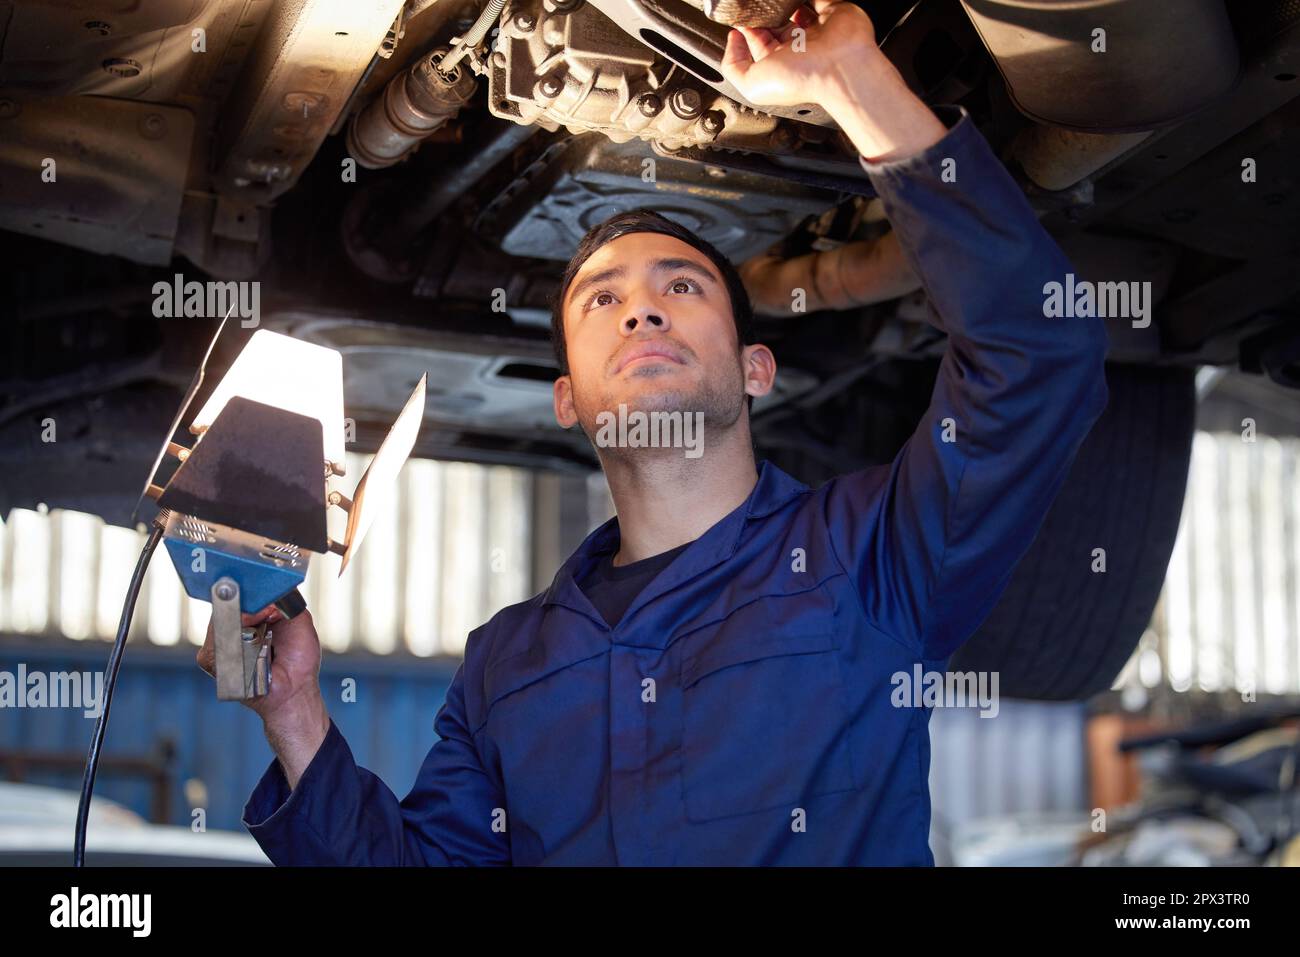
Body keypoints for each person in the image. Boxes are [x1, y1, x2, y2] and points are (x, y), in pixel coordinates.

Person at [200, 0, 1108, 865]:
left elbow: (1038, 350)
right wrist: (294, 716)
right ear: (569, 399)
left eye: (682, 287)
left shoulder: (870, 557)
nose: (640, 312)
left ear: (756, 369)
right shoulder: (506, 662)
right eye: (603, 299)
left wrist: (852, 80)